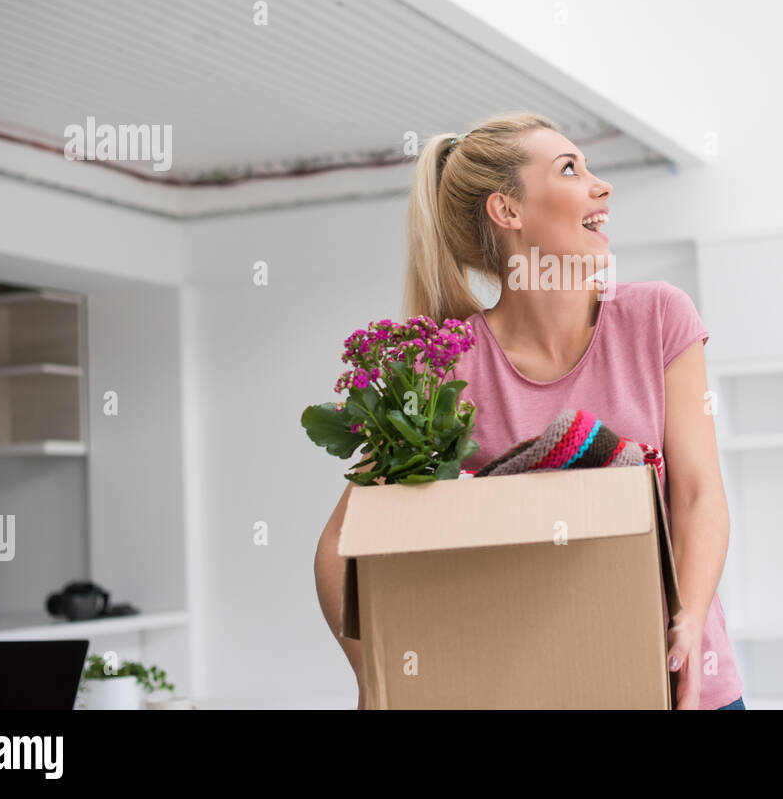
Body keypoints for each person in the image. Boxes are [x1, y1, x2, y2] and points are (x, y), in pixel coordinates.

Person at [314, 112, 744, 710]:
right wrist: (381, 680)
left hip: (677, 689)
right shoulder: (449, 366)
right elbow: (342, 542)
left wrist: (691, 622)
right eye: (570, 168)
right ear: (507, 211)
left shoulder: (658, 319)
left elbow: (699, 495)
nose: (602, 185)